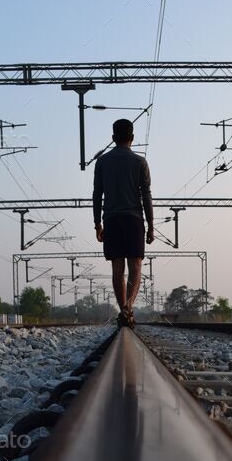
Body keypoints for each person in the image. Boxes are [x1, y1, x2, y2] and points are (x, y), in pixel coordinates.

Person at [93, 119, 154, 328]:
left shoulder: (102, 162)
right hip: (134, 220)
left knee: (117, 268)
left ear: (112, 138)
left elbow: (97, 194)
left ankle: (123, 310)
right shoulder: (140, 162)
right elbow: (146, 195)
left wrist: (97, 223)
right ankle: (128, 308)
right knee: (135, 265)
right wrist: (151, 224)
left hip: (111, 219)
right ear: (132, 138)